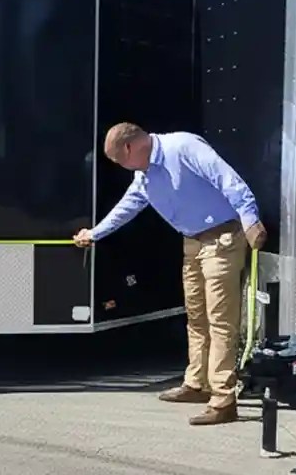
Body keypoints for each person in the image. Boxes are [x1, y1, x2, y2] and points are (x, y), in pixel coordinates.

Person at [74, 123, 267, 426]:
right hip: (193, 241)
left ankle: (223, 400)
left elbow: (228, 180)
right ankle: (197, 383)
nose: (123, 169)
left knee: (220, 320)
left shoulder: (184, 147)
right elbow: (128, 205)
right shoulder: (145, 174)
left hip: (222, 239)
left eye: (120, 161)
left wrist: (251, 220)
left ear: (129, 148)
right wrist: (96, 233)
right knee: (196, 316)